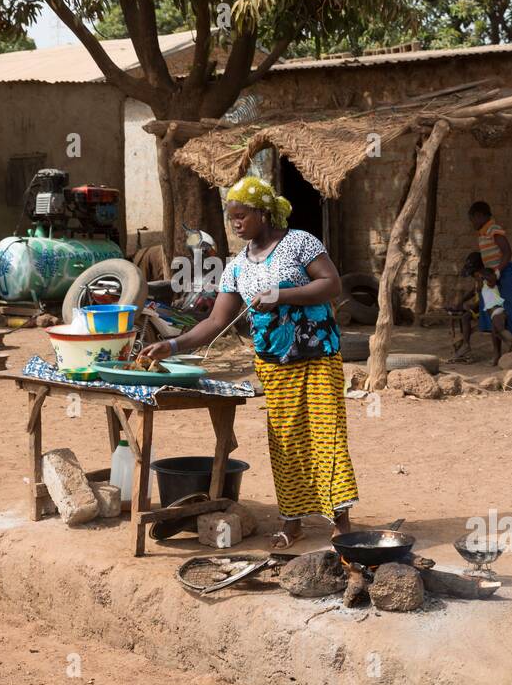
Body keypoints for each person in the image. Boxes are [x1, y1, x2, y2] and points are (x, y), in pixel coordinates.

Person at [137, 175, 358, 549]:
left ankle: (341, 520)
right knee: (285, 441)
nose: (236, 223)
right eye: (231, 217)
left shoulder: (300, 243)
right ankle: (293, 520)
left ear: (263, 212)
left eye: (241, 216)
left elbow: (332, 284)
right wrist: (171, 346)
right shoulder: (237, 267)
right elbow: (214, 322)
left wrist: (282, 295)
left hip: (318, 355)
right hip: (273, 363)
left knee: (327, 435)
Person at [468, 201, 512, 360]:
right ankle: (497, 353)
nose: (472, 223)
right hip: (492, 275)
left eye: (472, 219)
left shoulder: (493, 229)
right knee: (492, 313)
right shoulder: (482, 234)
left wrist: (497, 273)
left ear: (480, 215)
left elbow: (507, 253)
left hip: (505, 273)